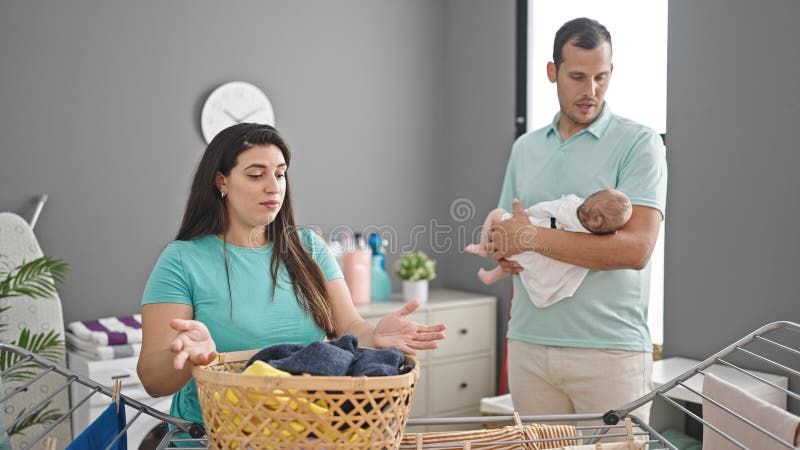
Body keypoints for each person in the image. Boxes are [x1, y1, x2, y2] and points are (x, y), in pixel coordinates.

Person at [136, 123, 446, 426]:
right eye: (256, 175)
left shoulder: (309, 247)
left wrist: (374, 336)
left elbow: (349, 327)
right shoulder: (181, 260)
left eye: (280, 173)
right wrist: (192, 358)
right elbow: (153, 380)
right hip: (213, 435)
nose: (273, 186)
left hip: (305, 431)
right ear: (221, 182)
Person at [487, 18, 667, 424]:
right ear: (553, 73)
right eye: (577, 77)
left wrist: (530, 238)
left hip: (610, 353)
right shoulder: (526, 148)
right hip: (529, 346)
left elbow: (635, 250)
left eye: (601, 77)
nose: (591, 91)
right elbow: (505, 232)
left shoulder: (639, 143)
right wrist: (503, 249)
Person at [465, 189, 632, 309]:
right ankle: (492, 274)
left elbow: (542, 209)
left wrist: (527, 217)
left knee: (497, 214)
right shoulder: (593, 242)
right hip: (543, 264)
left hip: (523, 238)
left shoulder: (569, 205)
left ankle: (482, 248)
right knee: (520, 262)